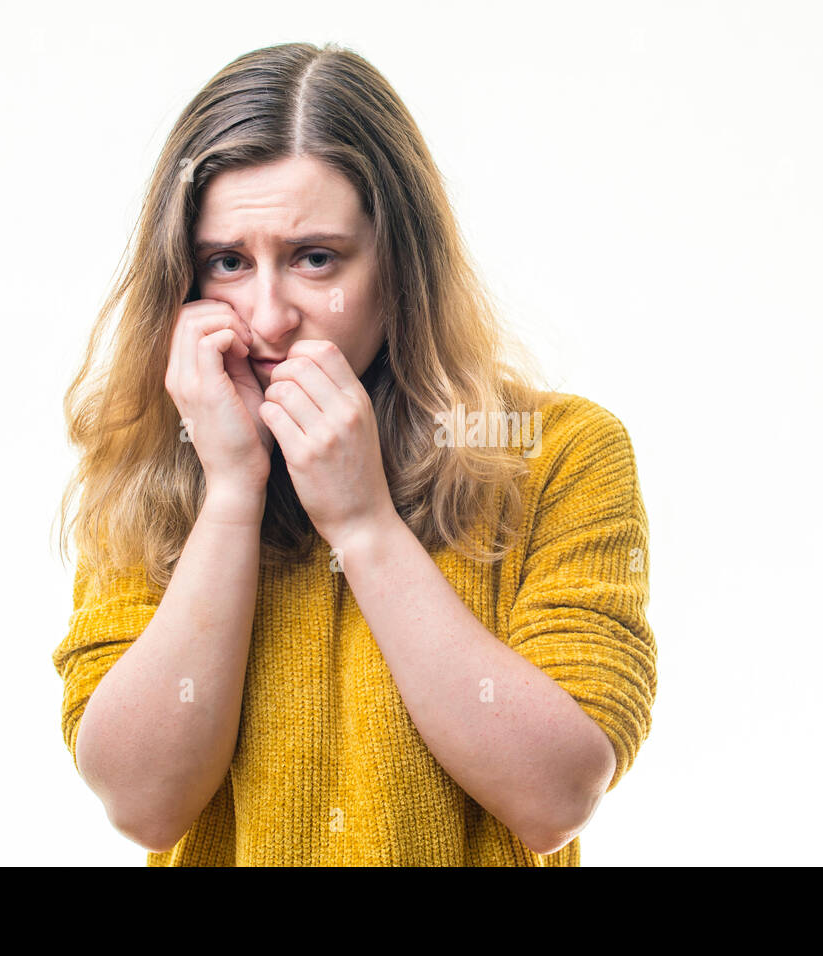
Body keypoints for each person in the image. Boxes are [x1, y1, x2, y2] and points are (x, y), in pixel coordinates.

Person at [51, 41, 656, 866]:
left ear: (401, 263)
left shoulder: (562, 455)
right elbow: (144, 802)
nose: (267, 319)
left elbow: (555, 796)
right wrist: (230, 491)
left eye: (314, 259)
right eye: (227, 263)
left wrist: (364, 524)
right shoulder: (145, 467)